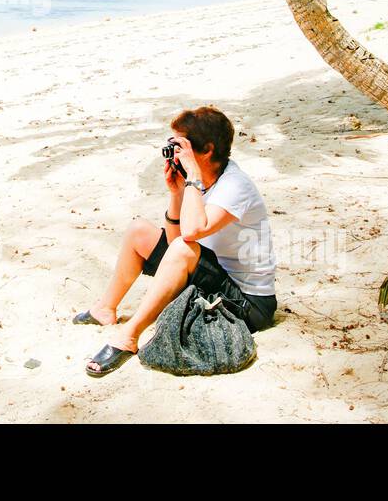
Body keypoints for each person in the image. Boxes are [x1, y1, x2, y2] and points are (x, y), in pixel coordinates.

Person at [76, 105, 277, 377]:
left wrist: (192, 178)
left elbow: (191, 236)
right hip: (212, 274)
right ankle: (104, 309)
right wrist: (177, 193)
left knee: (185, 247)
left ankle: (128, 336)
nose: (174, 152)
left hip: (248, 304)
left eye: (181, 146)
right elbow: (175, 241)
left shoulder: (234, 185)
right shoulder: (201, 181)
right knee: (139, 231)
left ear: (206, 151)